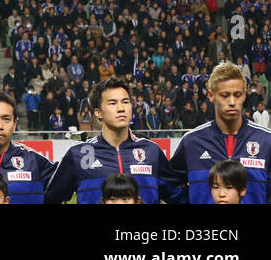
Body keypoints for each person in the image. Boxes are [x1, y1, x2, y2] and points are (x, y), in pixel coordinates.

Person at [45, 77, 183, 204]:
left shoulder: (152, 151)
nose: (121, 108)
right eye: (112, 103)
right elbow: (50, 199)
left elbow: (181, 197)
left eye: (125, 102)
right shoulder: (77, 154)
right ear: (98, 112)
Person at [170, 61, 271, 204]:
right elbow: (169, 185)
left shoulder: (267, 140)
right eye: (225, 95)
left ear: (244, 94)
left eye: (237, 95)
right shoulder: (192, 141)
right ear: (211, 96)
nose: (232, 102)